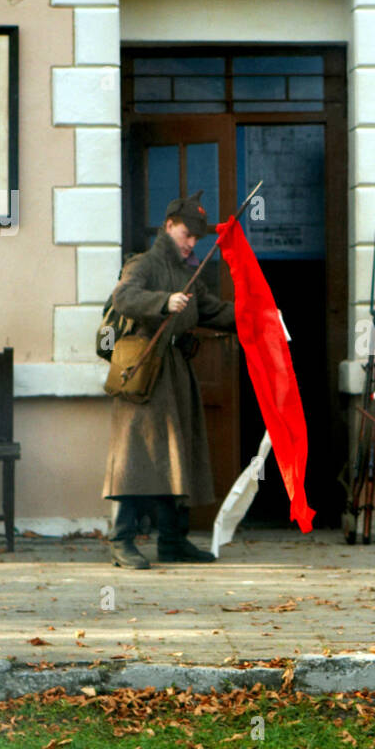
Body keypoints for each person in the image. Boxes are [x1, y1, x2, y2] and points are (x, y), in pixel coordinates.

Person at [101, 192, 236, 569]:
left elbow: (211, 310)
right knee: (137, 457)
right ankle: (121, 540)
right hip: (144, 372)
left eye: (197, 237)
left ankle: (173, 541)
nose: (191, 242)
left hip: (176, 369)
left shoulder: (188, 271)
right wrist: (164, 302)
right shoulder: (143, 263)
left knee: (178, 455)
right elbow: (124, 297)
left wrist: (257, 315)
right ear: (169, 225)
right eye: (186, 233)